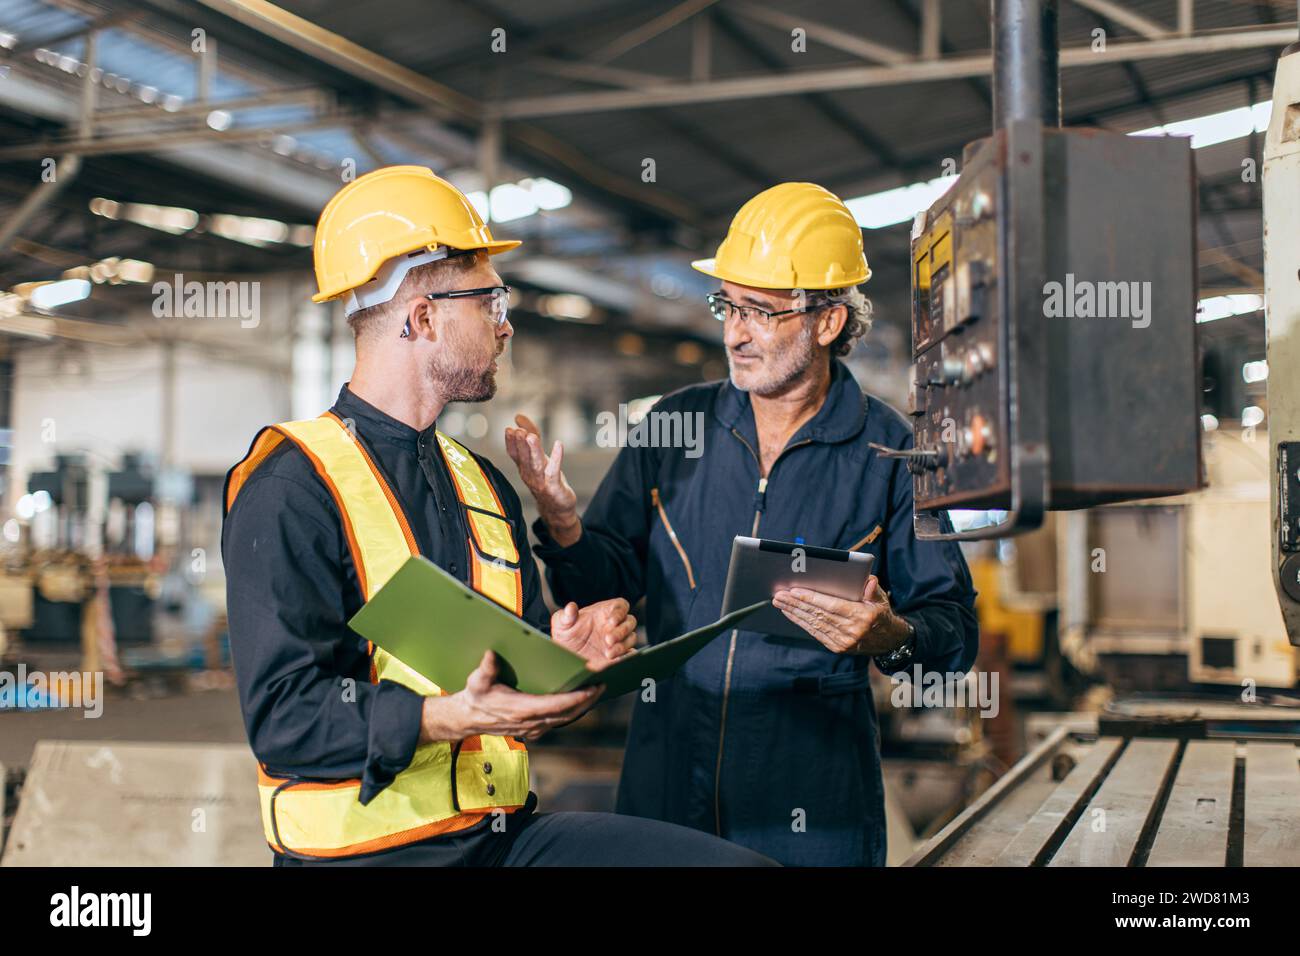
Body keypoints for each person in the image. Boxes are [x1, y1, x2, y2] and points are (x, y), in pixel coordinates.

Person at [222, 165, 773, 866]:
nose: (505, 325)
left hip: (497, 841)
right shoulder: (292, 485)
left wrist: (566, 661)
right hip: (366, 857)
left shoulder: (482, 483)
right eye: (490, 301)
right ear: (423, 317)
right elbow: (282, 719)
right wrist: (444, 716)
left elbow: (513, 680)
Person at [507, 182, 979, 866]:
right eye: (728, 304)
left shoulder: (891, 454)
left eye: (761, 310)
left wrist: (892, 636)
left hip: (811, 800)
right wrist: (565, 525)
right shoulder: (676, 426)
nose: (734, 331)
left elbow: (954, 631)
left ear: (828, 322)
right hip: (665, 781)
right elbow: (606, 581)